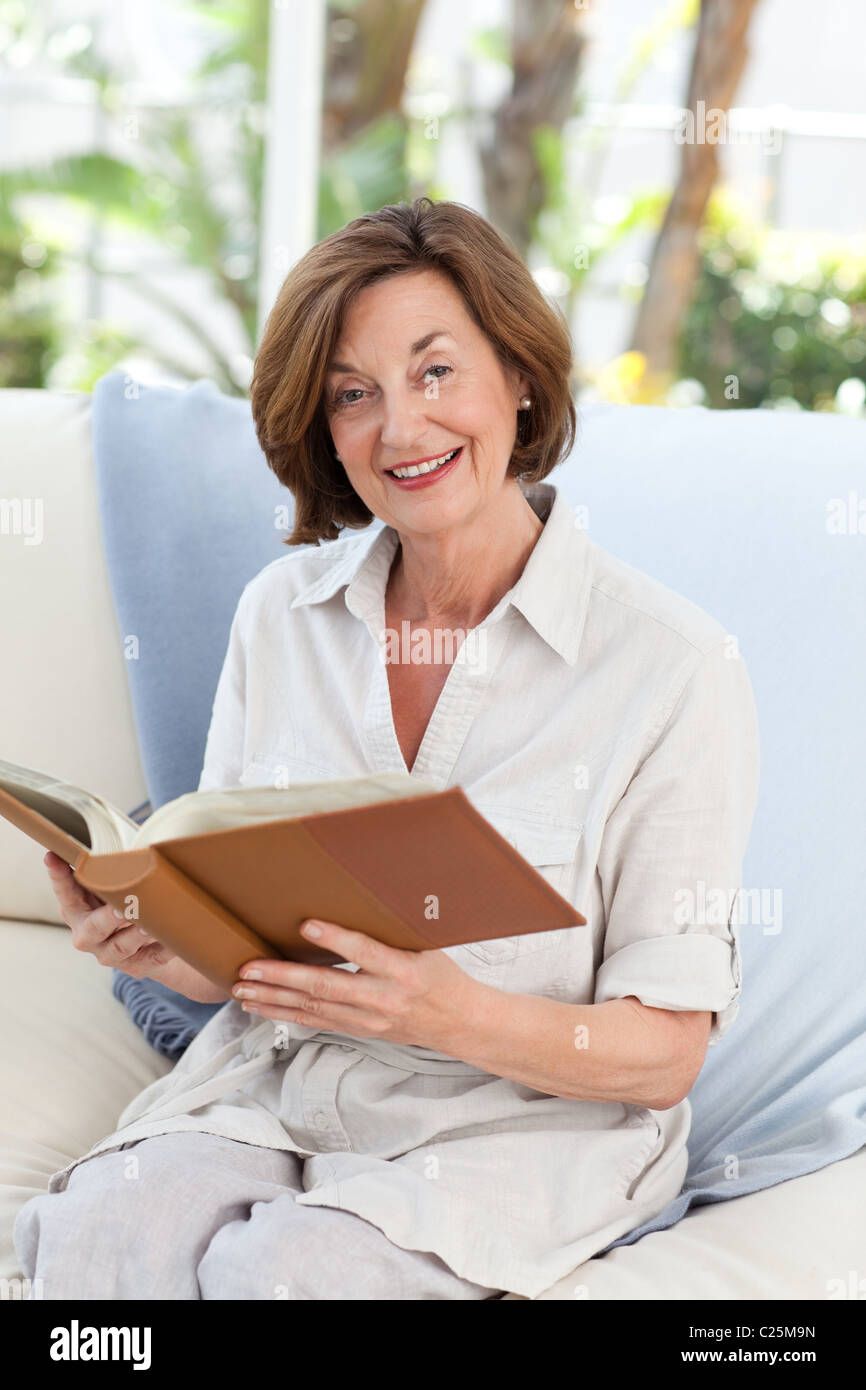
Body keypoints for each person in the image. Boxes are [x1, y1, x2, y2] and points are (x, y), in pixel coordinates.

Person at [14, 196, 759, 1301]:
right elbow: (250, 951)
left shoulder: (672, 667)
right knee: (103, 1239)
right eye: (351, 395)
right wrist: (171, 945)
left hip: (519, 1129)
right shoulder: (281, 617)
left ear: (517, 375)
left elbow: (662, 1052)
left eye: (433, 372)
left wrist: (444, 1012)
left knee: (287, 1272)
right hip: (276, 1084)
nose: (399, 430)